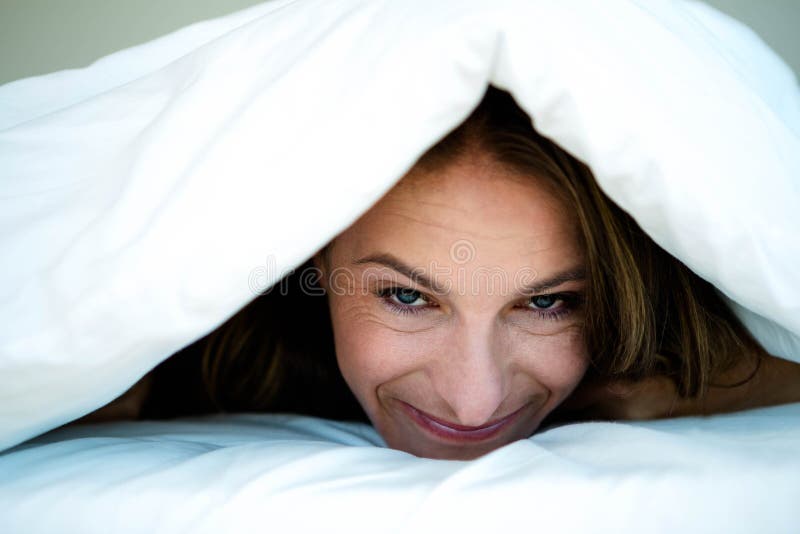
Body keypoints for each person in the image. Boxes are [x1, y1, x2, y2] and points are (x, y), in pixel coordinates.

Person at [77, 85, 800, 460]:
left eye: (547, 301)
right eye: (406, 295)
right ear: (318, 258)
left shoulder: (676, 359)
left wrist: (678, 394)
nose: (473, 403)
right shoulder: (168, 347)